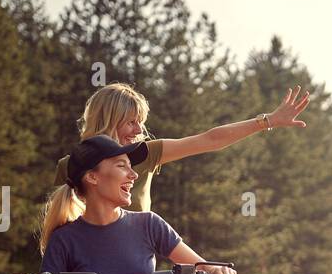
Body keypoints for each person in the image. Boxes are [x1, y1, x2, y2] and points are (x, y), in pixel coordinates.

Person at [3, 135, 237, 274]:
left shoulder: (150, 224)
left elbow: (201, 267)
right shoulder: (64, 240)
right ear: (92, 177)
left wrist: (217, 270)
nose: (134, 174)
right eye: (121, 165)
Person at [55, 82, 311, 213]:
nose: (138, 130)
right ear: (109, 119)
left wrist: (266, 121)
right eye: (131, 122)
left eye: (140, 123)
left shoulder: (146, 153)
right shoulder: (69, 166)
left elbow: (210, 140)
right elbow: (58, 226)